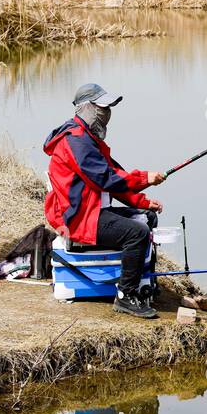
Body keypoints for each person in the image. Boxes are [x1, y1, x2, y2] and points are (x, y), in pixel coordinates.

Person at [43, 83, 165, 318]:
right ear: (85, 108)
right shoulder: (76, 141)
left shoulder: (88, 140)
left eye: (109, 108)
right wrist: (145, 178)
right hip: (79, 217)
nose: (107, 113)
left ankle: (141, 280)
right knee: (137, 234)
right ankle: (125, 296)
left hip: (92, 209)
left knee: (147, 218)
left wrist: (142, 202)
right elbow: (107, 179)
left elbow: (112, 178)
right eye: (102, 107)